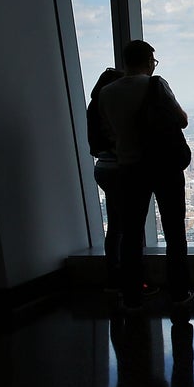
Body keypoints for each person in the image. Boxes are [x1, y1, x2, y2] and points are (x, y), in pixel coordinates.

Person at [99, 39, 192, 309]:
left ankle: (132, 296)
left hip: (129, 168)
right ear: (149, 61)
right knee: (174, 231)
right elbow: (182, 120)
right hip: (164, 167)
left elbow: (109, 131)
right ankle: (179, 292)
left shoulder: (106, 92)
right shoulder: (156, 85)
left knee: (131, 233)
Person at [87, 66, 125, 286]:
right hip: (119, 169)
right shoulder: (111, 108)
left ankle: (113, 276)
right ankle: (126, 279)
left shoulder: (93, 108)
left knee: (116, 226)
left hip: (102, 168)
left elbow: (93, 145)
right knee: (126, 227)